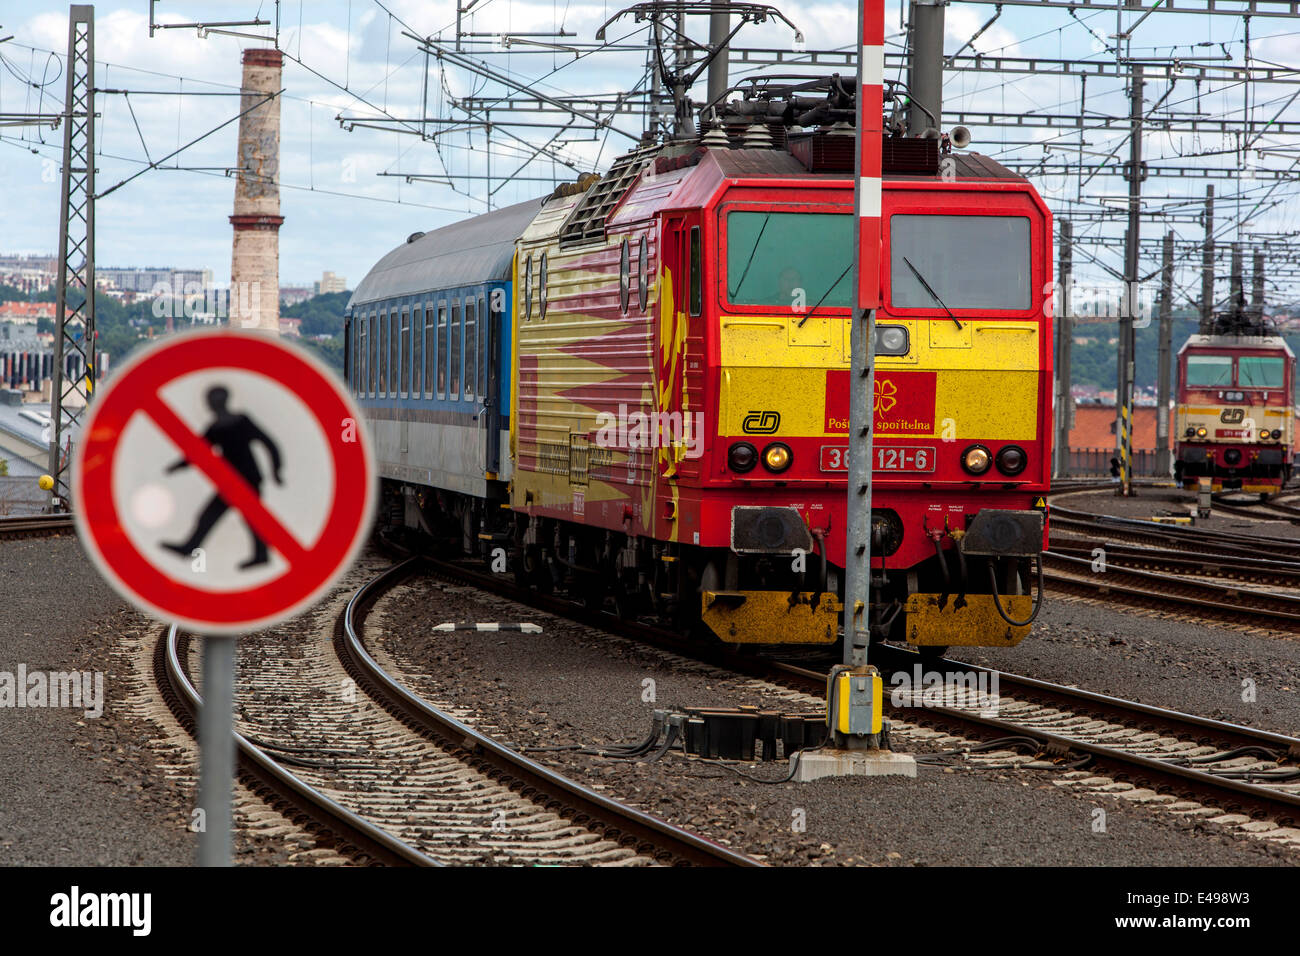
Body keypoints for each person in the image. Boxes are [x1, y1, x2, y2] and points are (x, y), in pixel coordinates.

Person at [161, 385, 283, 569]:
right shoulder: (216, 427)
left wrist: (276, 471)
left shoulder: (240, 421)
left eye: (211, 400)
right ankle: (260, 554)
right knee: (240, 518)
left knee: (240, 518)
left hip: (246, 479)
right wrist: (177, 467)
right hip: (232, 480)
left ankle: (191, 547)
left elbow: (269, 444)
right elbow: (198, 452)